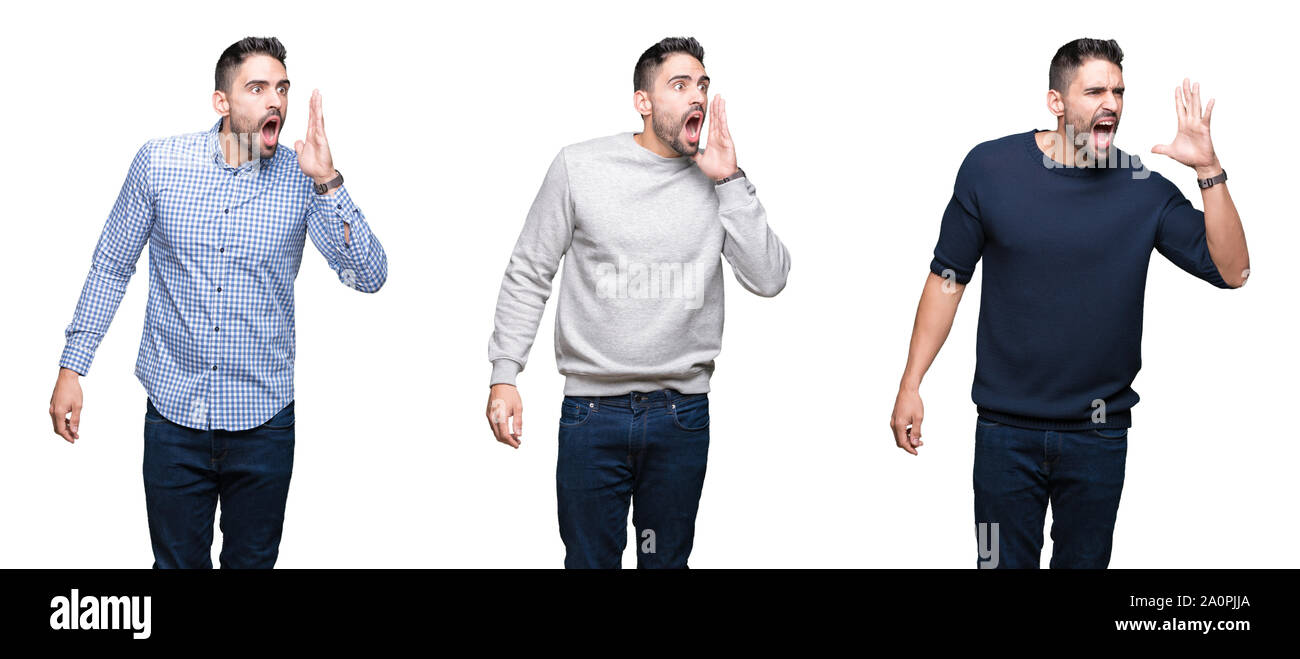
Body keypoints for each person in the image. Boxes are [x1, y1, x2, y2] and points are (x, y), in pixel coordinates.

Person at [889, 38, 1249, 568]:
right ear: (1056, 101)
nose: (1112, 103)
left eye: (1119, 91)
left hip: (1099, 436)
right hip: (1003, 433)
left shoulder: (1143, 189)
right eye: (1096, 90)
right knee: (995, 565)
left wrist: (1208, 171)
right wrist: (911, 383)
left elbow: (1233, 270)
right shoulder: (989, 168)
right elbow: (948, 279)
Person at [48, 36, 388, 569]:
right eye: (257, 88)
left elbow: (369, 276)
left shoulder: (303, 181)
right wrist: (73, 366)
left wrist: (328, 181)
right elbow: (112, 264)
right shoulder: (160, 164)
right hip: (174, 415)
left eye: (282, 89)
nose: (275, 100)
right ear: (222, 102)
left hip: (264, 422)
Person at [485, 37, 790, 568]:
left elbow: (770, 279)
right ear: (643, 102)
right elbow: (530, 269)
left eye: (702, 85)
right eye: (679, 85)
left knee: (665, 564)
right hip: (591, 413)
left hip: (681, 414)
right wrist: (505, 373)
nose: (696, 96)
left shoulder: (719, 179)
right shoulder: (580, 166)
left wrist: (731, 181)